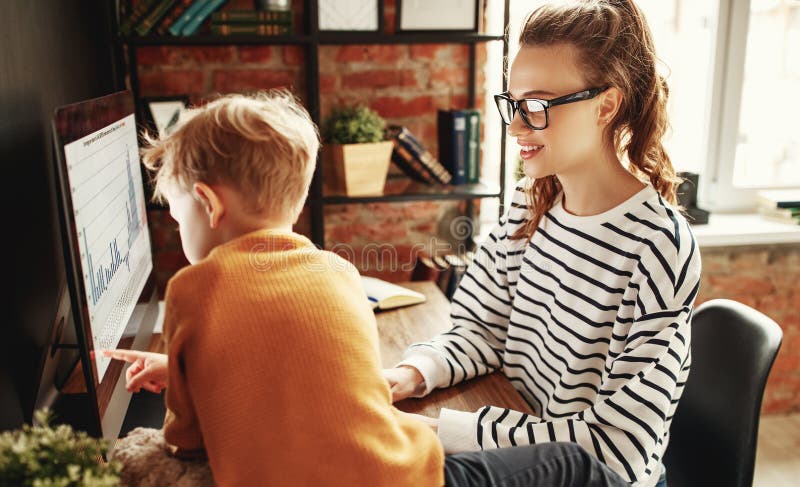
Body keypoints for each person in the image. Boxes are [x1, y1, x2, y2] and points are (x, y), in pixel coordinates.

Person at [103, 90, 626, 487]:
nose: (176, 226)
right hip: (398, 478)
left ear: (208, 203)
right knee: (576, 465)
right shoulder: (339, 272)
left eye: (175, 214)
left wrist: (187, 380)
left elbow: (186, 440)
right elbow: (322, 376)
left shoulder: (190, 289)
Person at [383, 1, 701, 487]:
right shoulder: (531, 204)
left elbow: (616, 451)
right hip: (526, 446)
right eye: (513, 104)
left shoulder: (659, 249)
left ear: (607, 105)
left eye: (537, 105)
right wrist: (413, 372)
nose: (515, 127)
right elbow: (481, 330)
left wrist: (439, 431)